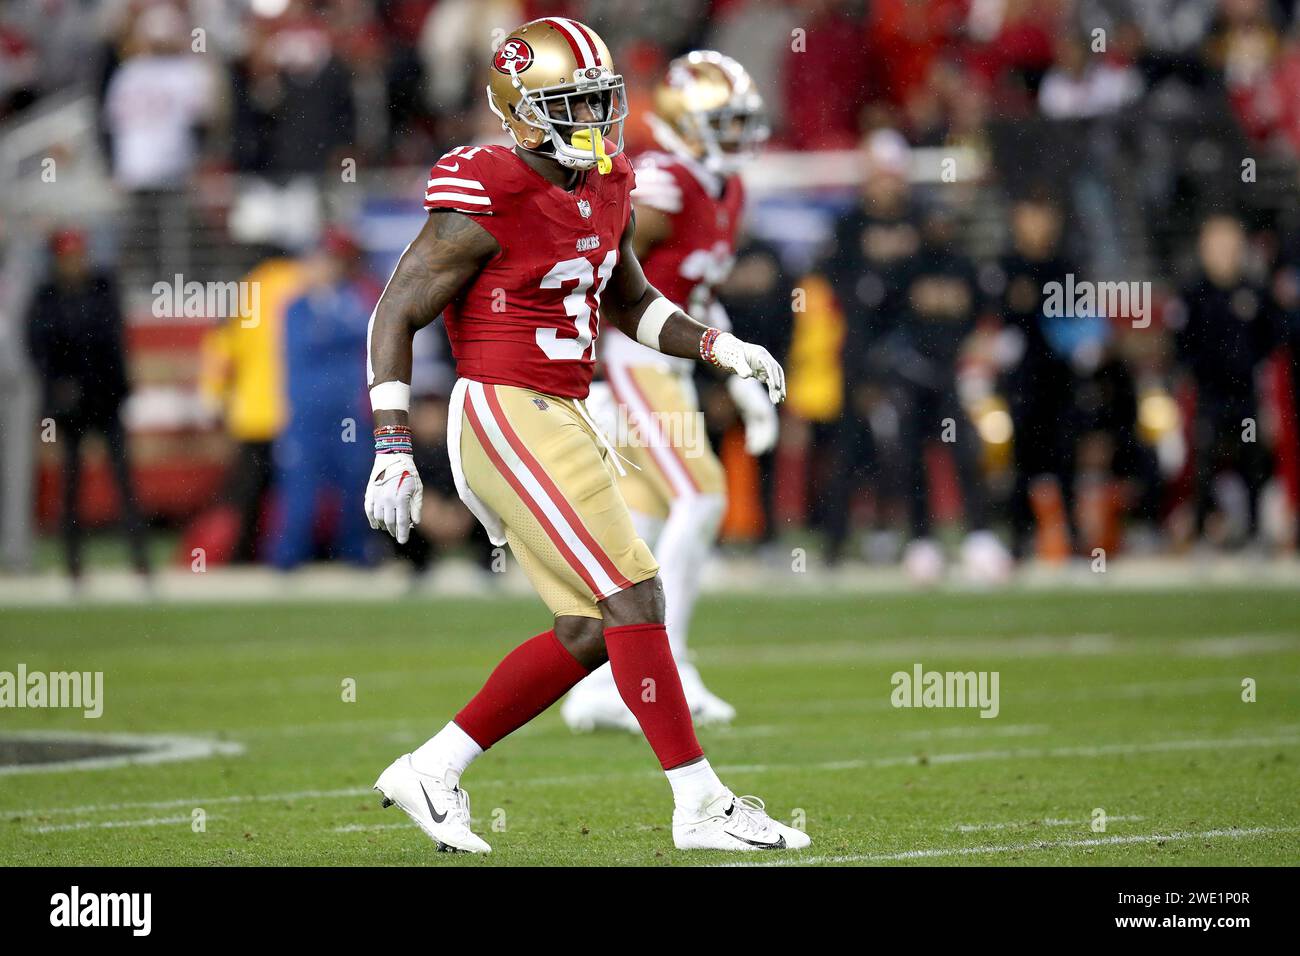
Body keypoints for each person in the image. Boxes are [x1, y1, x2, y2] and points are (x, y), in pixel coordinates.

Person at [363, 17, 807, 854]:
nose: (597, 121)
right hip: (505, 405)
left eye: (603, 101)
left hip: (559, 408)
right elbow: (397, 310)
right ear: (522, 113)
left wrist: (719, 346)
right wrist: (391, 443)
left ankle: (432, 768)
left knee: (592, 629)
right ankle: (701, 801)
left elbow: (630, 298)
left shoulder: (605, 180)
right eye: (574, 103)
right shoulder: (487, 187)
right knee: (635, 593)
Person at [560, 51, 777, 733]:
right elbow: (605, 268)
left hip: (670, 360)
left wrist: (741, 381)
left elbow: (701, 294)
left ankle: (603, 683)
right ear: (688, 121)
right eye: (725, 121)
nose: (739, 135)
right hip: (632, 356)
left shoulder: (727, 188)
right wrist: (583, 362)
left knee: (646, 518)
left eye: (743, 121)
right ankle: (671, 663)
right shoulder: (665, 183)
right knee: (703, 493)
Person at [26, 229, 149, 582]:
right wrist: (58, 390)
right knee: (72, 484)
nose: (75, 262)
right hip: (71, 405)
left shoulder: (102, 289)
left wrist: (117, 388)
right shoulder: (47, 297)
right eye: (68, 256)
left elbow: (113, 342)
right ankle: (73, 564)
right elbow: (39, 346)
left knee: (124, 481)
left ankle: (140, 561)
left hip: (105, 399)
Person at [271, 228, 378, 569]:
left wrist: (332, 330)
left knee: (355, 480)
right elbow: (309, 342)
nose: (324, 268)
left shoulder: (354, 299)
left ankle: (355, 551)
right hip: (306, 414)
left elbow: (369, 331)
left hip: (347, 410)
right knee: (300, 485)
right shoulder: (295, 308)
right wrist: (338, 330)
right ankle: (288, 556)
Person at [1171, 213, 1277, 546]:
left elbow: (1269, 338)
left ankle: (1256, 533)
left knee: (1253, 460)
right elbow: (1182, 344)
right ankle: (1203, 533)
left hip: (1244, 394)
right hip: (1209, 396)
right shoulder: (1193, 293)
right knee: (1203, 460)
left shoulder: (1253, 291)